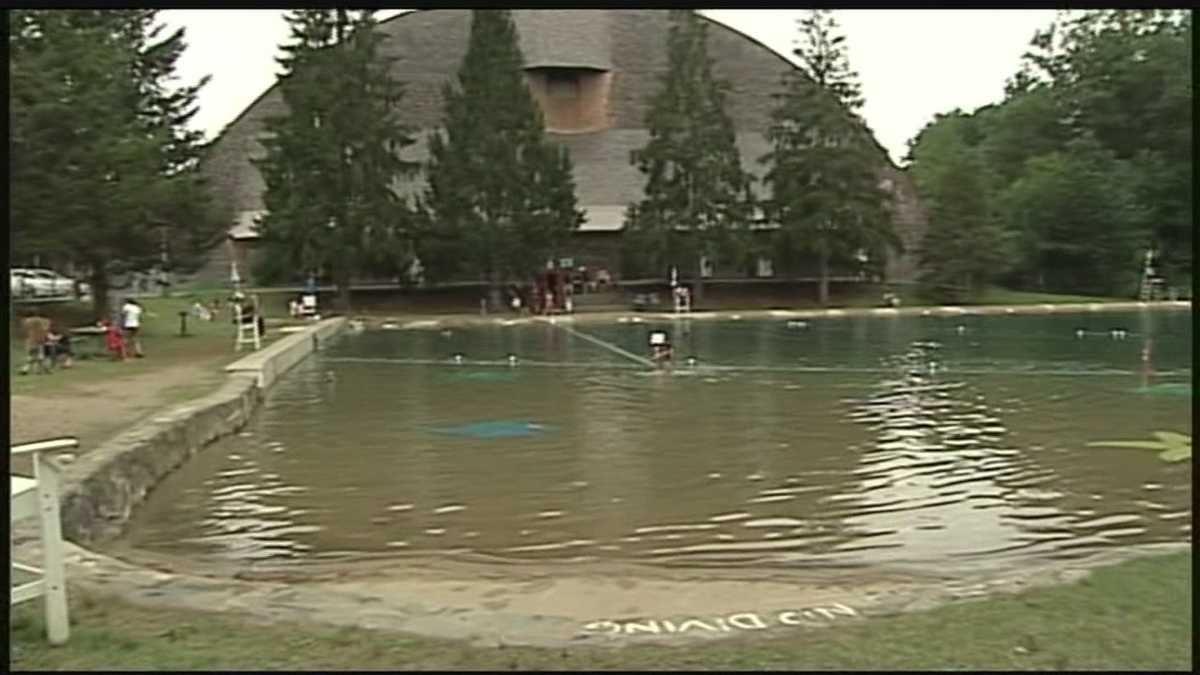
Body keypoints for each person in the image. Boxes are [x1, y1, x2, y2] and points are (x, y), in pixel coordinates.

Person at [19, 309, 52, 375]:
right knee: (40, 355)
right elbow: (45, 329)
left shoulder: (26, 321)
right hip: (39, 340)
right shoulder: (40, 320)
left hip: (31, 340)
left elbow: (24, 330)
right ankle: (43, 370)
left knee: (31, 355)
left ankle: (26, 369)